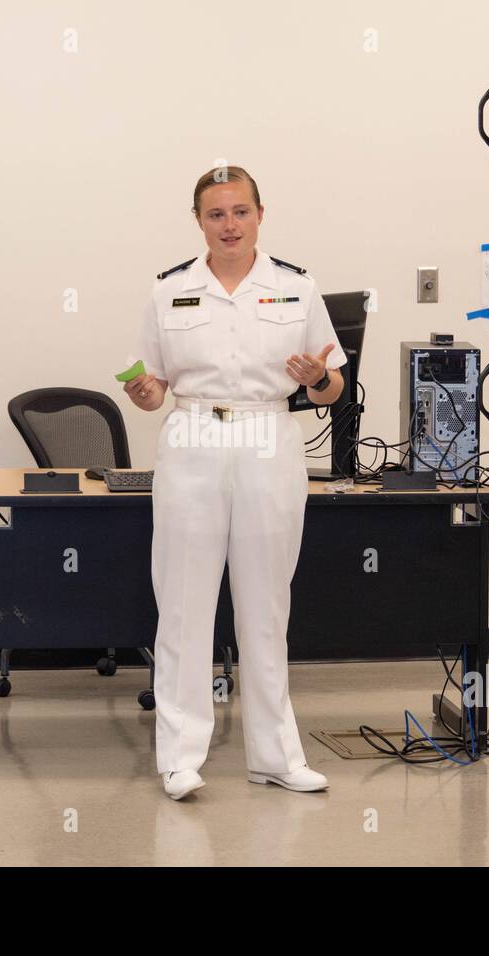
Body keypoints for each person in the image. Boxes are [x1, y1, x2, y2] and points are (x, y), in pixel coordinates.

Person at [126, 166, 346, 800]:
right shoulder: (170, 291)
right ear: (198, 220)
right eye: (216, 214)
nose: (230, 225)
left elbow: (333, 388)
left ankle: (276, 756)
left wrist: (315, 379)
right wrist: (145, 393)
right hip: (193, 433)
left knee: (266, 606)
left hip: (267, 435)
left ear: (260, 214)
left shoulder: (296, 288)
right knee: (184, 603)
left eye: (240, 212)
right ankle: (178, 757)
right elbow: (153, 387)